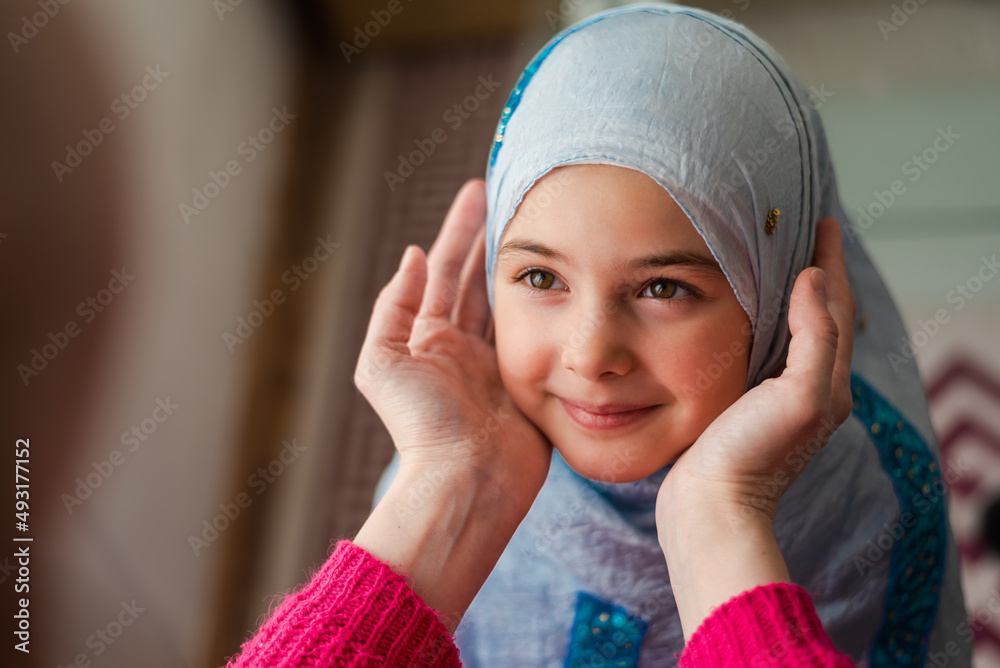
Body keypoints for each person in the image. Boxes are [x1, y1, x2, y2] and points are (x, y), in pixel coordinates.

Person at [224, 3, 970, 666]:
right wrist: (446, 484)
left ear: (779, 295)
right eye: (542, 279)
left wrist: (722, 513)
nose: (589, 356)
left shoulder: (875, 512)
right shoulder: (442, 478)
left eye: (662, 288)